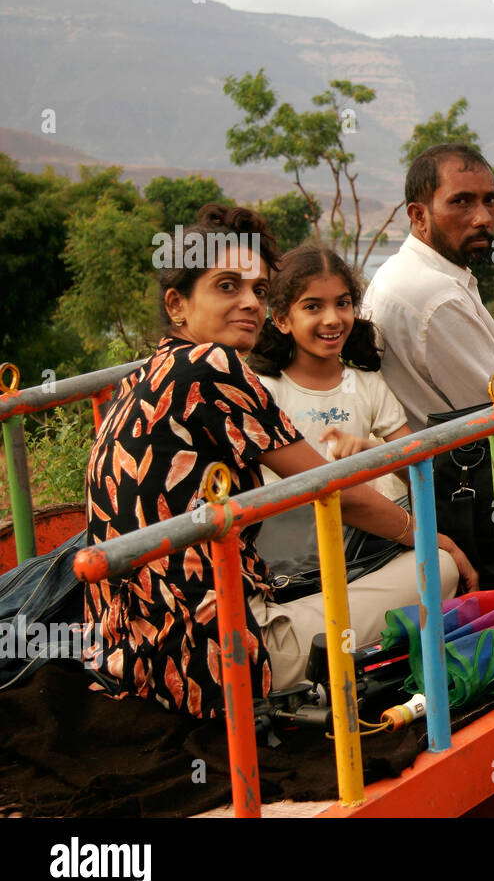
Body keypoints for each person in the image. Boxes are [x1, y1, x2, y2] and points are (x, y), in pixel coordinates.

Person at [84, 205, 422, 718]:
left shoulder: (142, 377)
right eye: (227, 286)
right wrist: (431, 536)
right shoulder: (212, 365)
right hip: (219, 664)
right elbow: (335, 491)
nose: (250, 304)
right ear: (178, 303)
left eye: (260, 291)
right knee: (434, 567)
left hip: (131, 659)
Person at [361, 144, 494, 580]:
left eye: (489, 200)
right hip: (481, 492)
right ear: (418, 214)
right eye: (461, 202)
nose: (483, 218)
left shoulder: (423, 275)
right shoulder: (433, 297)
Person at [246, 241, 477, 608]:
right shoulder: (263, 390)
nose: (333, 318)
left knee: (444, 565)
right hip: (285, 553)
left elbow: (416, 471)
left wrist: (372, 452)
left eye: (343, 303)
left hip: (356, 544)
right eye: (312, 307)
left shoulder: (367, 384)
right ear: (282, 319)